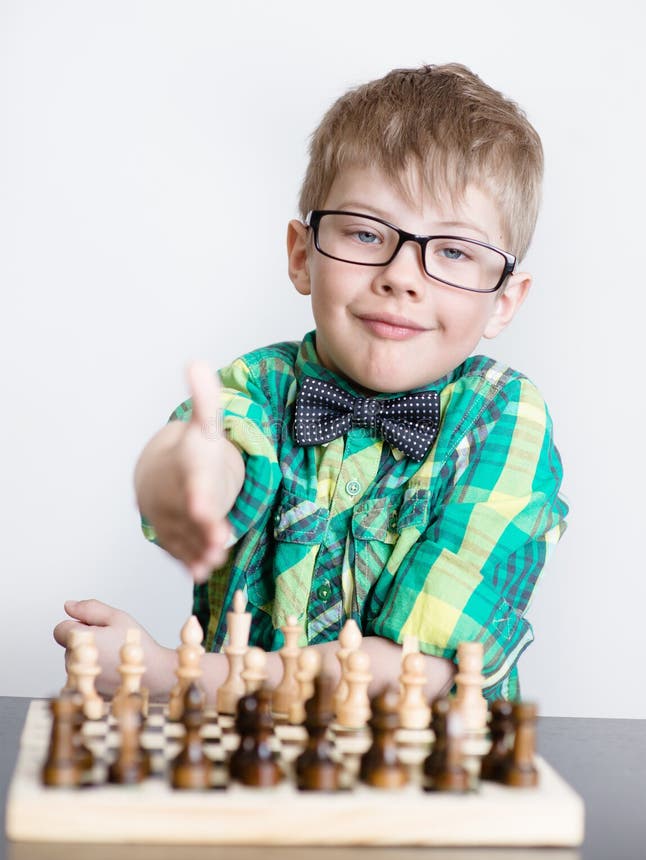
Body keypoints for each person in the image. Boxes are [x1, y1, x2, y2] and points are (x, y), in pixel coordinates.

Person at [54, 63, 568, 704]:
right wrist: (186, 475)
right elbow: (215, 471)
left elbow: (422, 669)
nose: (401, 276)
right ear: (303, 255)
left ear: (503, 302)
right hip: (249, 774)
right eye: (364, 233)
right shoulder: (255, 386)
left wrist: (180, 677)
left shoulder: (507, 418)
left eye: (455, 251)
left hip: (428, 787)